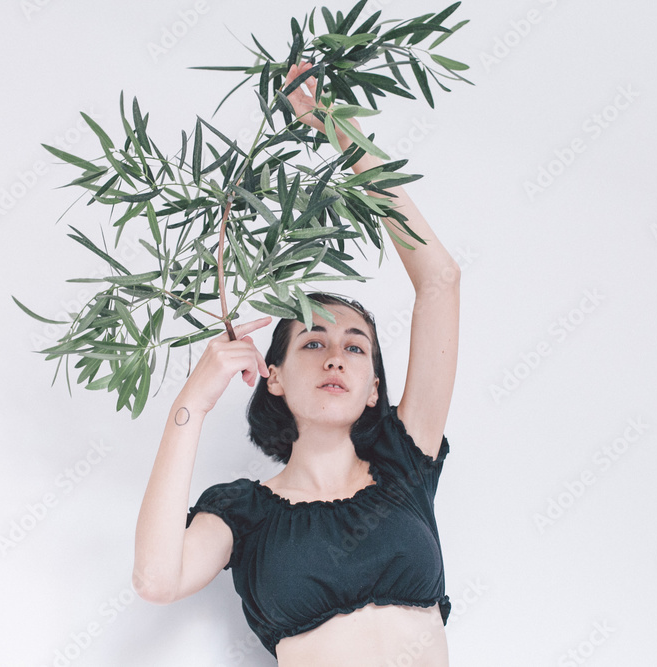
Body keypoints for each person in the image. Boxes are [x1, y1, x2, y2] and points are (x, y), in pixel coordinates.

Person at [132, 60, 461, 665]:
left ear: (373, 388)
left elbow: (440, 280)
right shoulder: (245, 512)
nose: (336, 357)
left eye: (355, 347)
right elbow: (157, 579)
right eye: (313, 342)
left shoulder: (405, 462)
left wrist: (338, 130)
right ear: (274, 376)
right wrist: (192, 403)